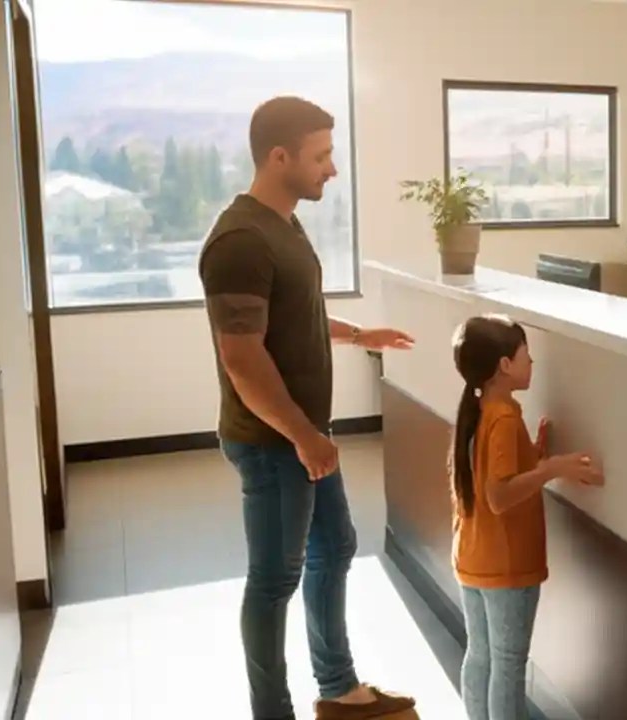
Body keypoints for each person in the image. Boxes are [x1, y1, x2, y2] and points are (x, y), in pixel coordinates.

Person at [199, 96, 416, 720]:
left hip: (301, 435)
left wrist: (359, 334)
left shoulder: (284, 226)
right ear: (279, 157)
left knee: (336, 546)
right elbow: (242, 357)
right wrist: (302, 435)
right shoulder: (241, 241)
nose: (332, 169)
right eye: (320, 156)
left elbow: (298, 315)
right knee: (274, 581)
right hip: (273, 442)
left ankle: (339, 689)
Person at [449, 315, 604, 720]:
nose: (532, 362)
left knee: (481, 655)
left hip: (473, 556)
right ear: (505, 365)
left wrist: (532, 455)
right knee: (507, 663)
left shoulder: (482, 409)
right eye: (526, 355)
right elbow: (499, 496)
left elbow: (492, 475)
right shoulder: (503, 418)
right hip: (506, 565)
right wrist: (552, 468)